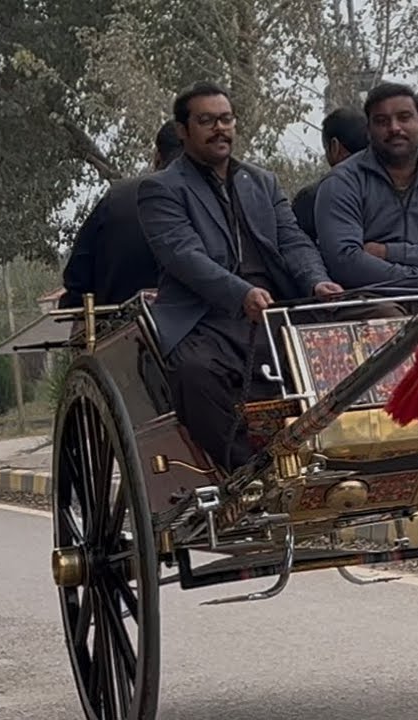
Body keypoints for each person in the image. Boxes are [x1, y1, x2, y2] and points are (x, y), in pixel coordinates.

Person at [138, 81, 342, 471]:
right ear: (183, 130)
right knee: (194, 375)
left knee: (346, 341)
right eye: (207, 121)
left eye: (226, 119)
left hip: (272, 312)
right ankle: (248, 474)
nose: (220, 129)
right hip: (205, 318)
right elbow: (184, 256)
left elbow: (293, 241)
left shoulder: (261, 182)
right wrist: (240, 292)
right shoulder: (161, 189)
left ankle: (332, 456)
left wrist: (317, 281)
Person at [313, 82, 418, 290]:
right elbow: (346, 263)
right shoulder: (342, 182)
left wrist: (387, 252)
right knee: (388, 315)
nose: (394, 128)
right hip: (369, 303)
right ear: (369, 130)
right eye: (382, 121)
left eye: (404, 117)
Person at [59, 120, 182, 308]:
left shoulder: (117, 198)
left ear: (157, 156)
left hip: (119, 329)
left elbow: (77, 281)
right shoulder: (228, 203)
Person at [292, 107, 369, 241]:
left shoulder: (312, 198)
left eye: (325, 149)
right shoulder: (396, 190)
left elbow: (295, 248)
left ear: (335, 147)